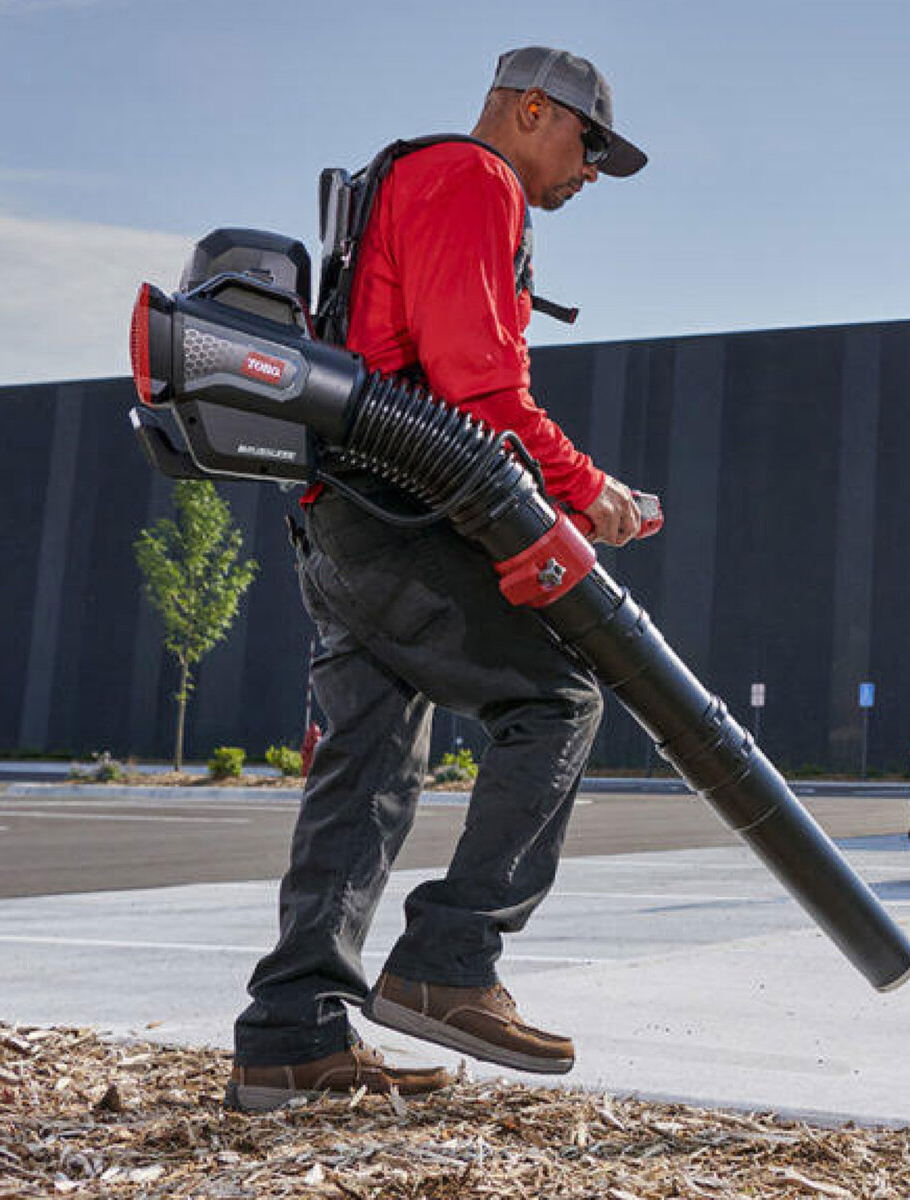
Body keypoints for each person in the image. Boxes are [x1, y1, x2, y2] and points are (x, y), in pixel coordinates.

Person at [226, 46, 648, 1112]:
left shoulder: (414, 182)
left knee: (367, 769)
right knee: (556, 700)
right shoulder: (473, 178)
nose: (590, 171)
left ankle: (292, 1035)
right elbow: (479, 387)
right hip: (396, 515)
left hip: (338, 516)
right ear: (528, 109)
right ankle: (448, 964)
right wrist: (589, 489)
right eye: (587, 143)